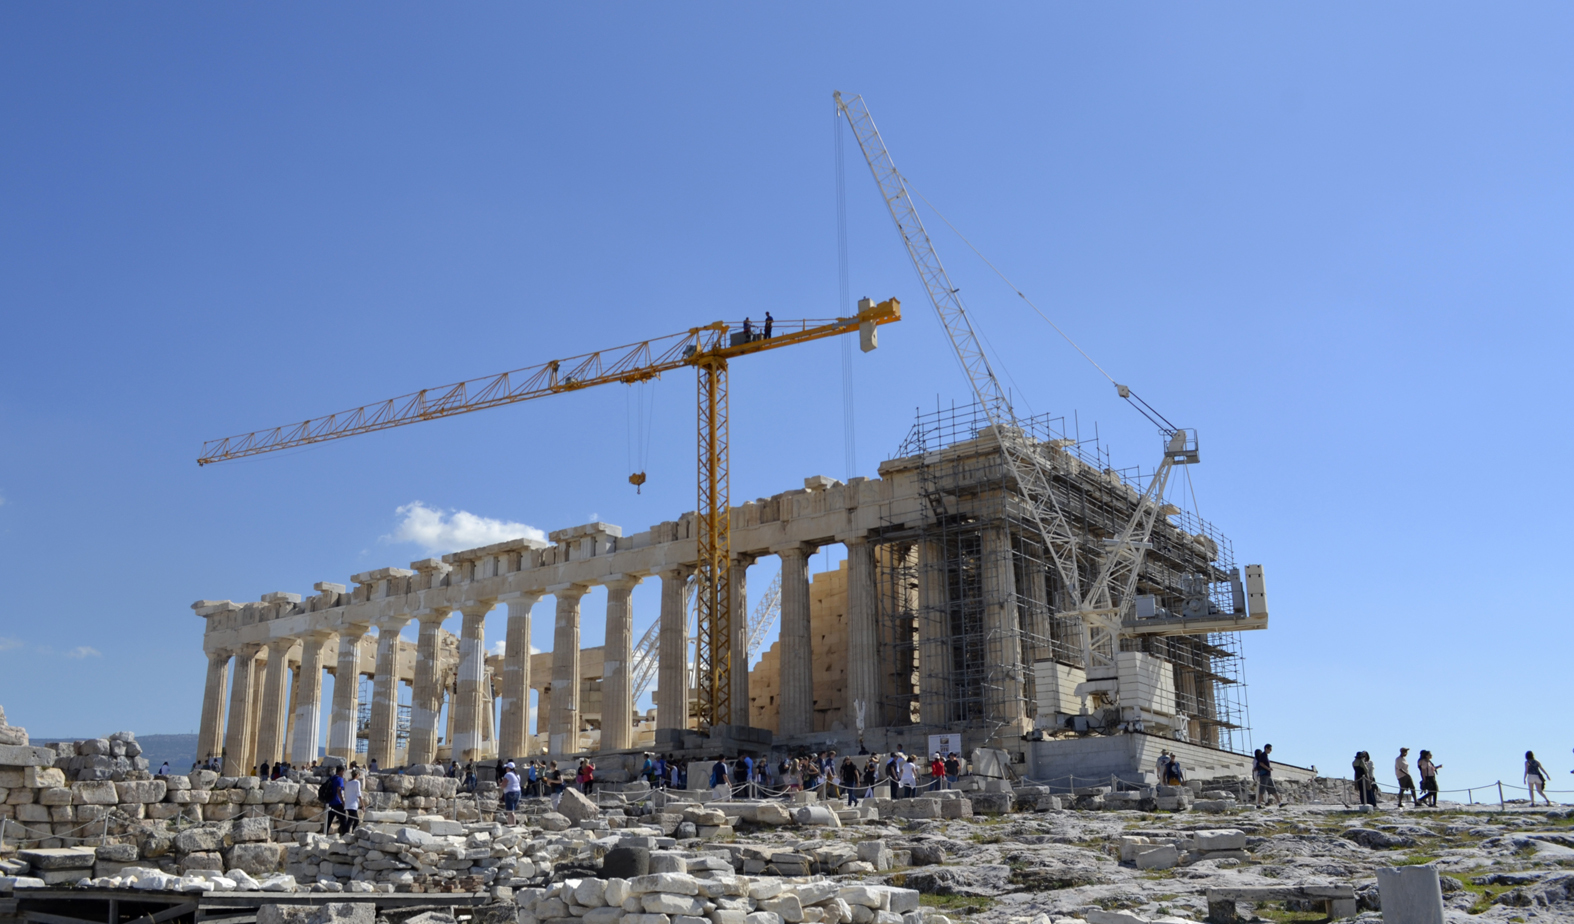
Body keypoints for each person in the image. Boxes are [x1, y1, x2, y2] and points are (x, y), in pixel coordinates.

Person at [322, 765, 347, 835]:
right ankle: (345, 835)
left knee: (328, 821)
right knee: (343, 820)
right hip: (337, 803)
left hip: (330, 802)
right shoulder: (339, 779)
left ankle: (325, 834)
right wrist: (343, 802)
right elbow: (339, 790)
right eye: (343, 772)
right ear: (341, 771)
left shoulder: (332, 778)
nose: (343, 773)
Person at [342, 768, 363, 834]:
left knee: (356, 820)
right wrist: (363, 804)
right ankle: (345, 835)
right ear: (357, 775)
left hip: (348, 804)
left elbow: (345, 793)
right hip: (353, 805)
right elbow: (358, 794)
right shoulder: (357, 782)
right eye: (359, 774)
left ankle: (353, 834)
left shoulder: (348, 783)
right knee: (350, 821)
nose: (359, 775)